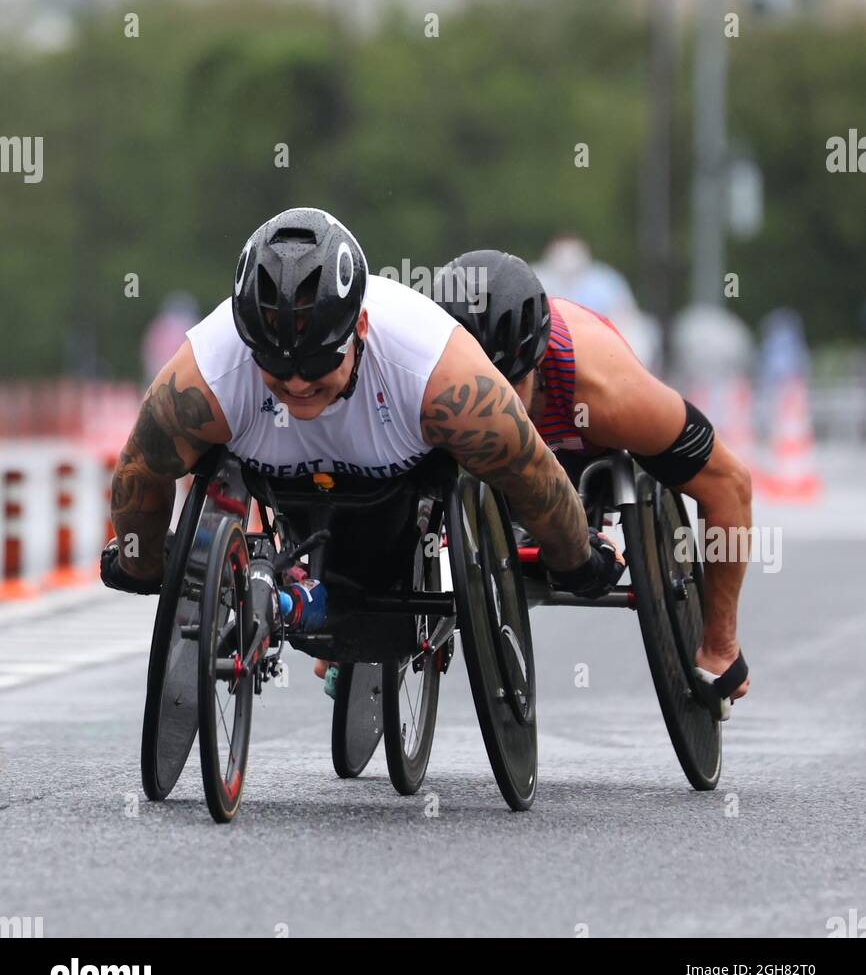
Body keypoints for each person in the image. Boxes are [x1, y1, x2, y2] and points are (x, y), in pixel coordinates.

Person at [101, 210, 621, 667]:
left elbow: (531, 473)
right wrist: (143, 563)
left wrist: (575, 558)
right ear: (245, 342)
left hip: (401, 497)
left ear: (362, 328)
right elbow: (138, 473)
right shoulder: (205, 376)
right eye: (277, 369)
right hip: (291, 491)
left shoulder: (438, 372)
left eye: (319, 363)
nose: (299, 384)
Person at [434, 250, 751, 708]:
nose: (499, 413)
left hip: (583, 442)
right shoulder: (422, 379)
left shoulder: (609, 393)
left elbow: (730, 486)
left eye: (510, 389)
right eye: (483, 392)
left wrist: (720, 643)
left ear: (538, 362)